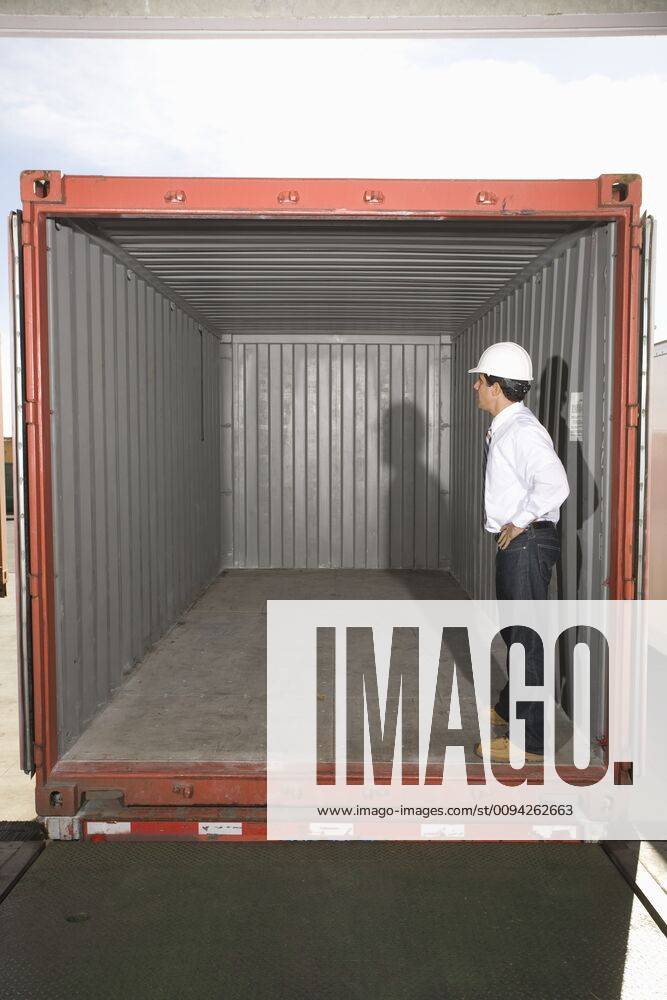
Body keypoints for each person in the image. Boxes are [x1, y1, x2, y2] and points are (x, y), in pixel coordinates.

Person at [469, 342, 570, 764]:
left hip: (527, 542)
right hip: (520, 544)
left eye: (481, 380)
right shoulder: (509, 427)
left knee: (525, 640)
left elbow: (555, 485)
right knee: (516, 635)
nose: (475, 386)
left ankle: (530, 743)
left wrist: (521, 519)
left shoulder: (522, 431)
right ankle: (510, 708)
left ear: (496, 387)